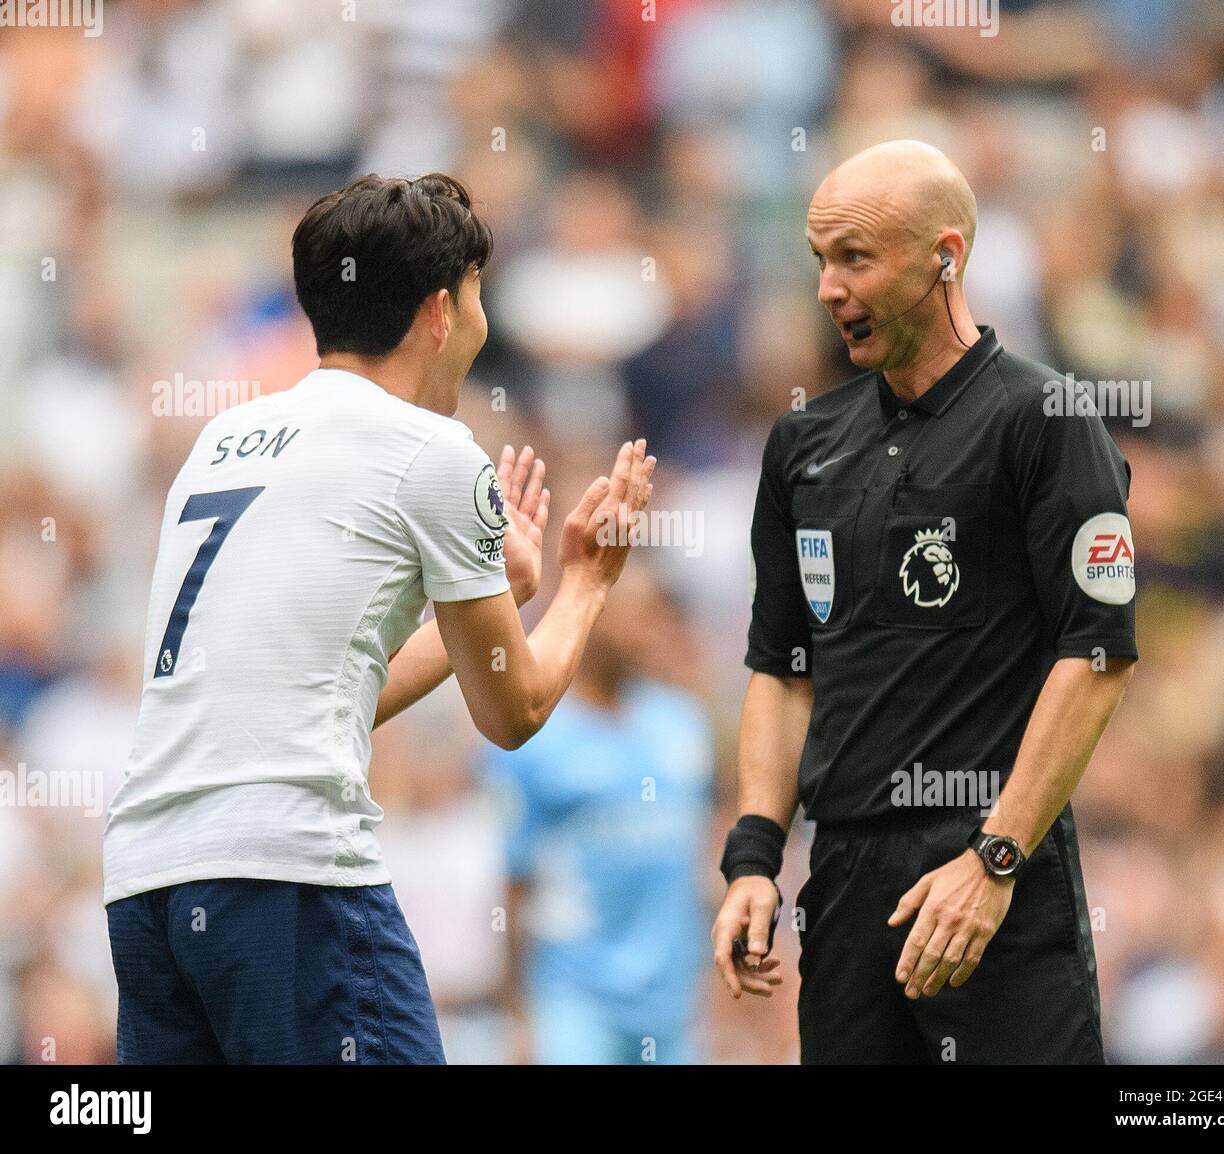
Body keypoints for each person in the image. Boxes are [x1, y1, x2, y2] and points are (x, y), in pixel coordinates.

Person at [103, 173, 655, 1064]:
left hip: (149, 883)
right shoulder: (434, 452)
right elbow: (511, 713)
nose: (479, 328)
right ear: (440, 312)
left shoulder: (221, 441)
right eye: (477, 300)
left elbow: (330, 693)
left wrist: (502, 593)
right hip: (290, 876)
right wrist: (585, 580)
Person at [712, 141, 1137, 1064]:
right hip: (846, 879)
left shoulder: (1047, 420)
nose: (828, 288)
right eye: (820, 259)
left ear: (945, 255)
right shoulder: (803, 444)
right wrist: (754, 859)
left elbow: (1097, 656)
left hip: (993, 874)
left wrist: (995, 860)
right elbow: (782, 671)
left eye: (855, 258)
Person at [484, 565, 714, 1064]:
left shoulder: (682, 724)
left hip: (674, 1006)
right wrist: (516, 1015)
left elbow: (705, 856)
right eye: (638, 613)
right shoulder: (533, 740)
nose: (651, 629)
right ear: (596, 615)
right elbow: (514, 885)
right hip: (577, 1002)